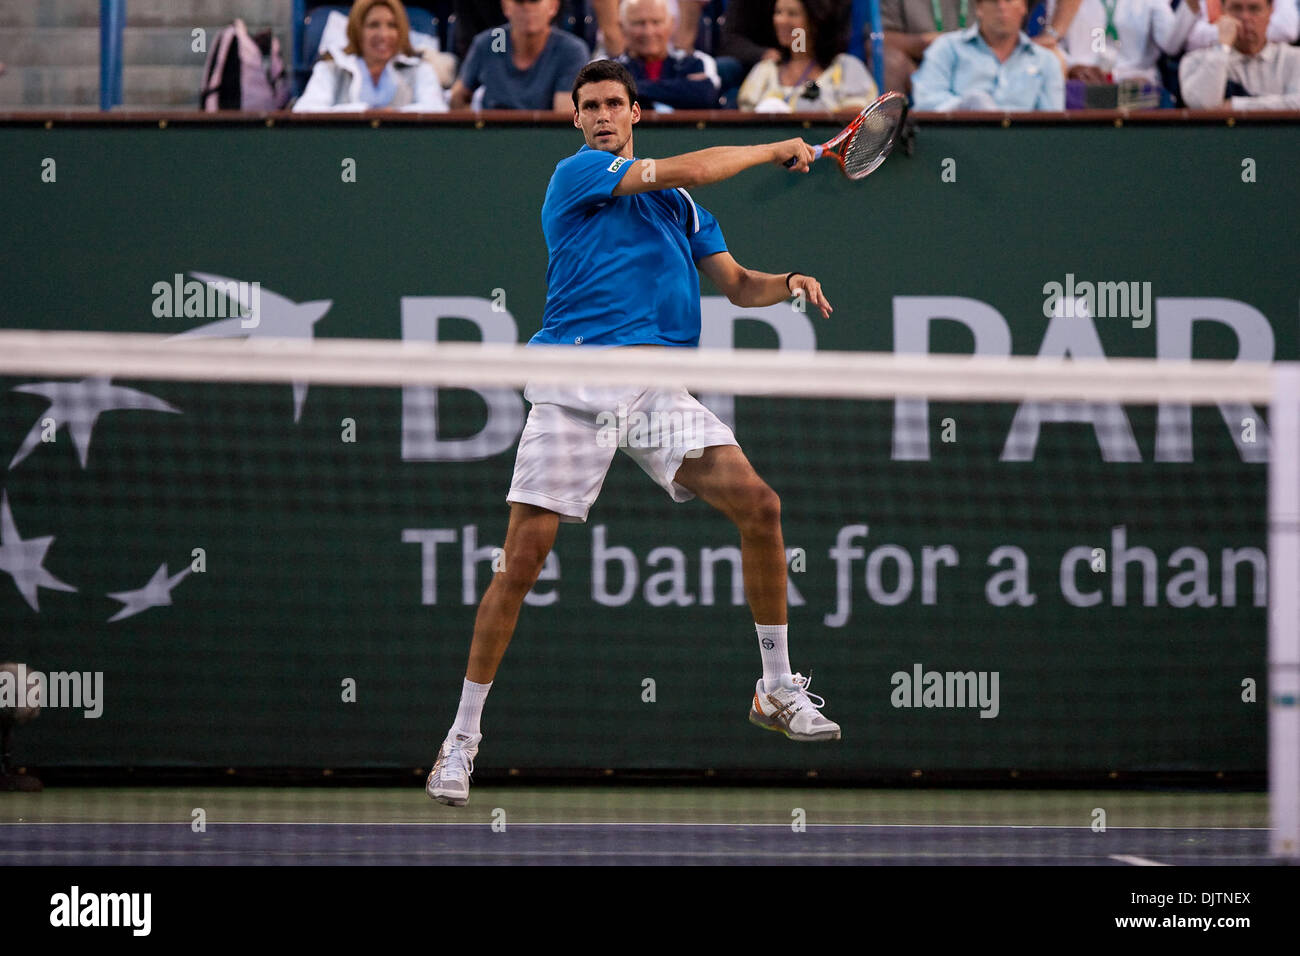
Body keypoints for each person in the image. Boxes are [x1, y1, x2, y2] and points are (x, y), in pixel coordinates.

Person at [426, 59, 842, 808]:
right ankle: (461, 739)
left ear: (636, 111)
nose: (603, 116)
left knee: (761, 506)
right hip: (574, 385)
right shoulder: (577, 175)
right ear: (578, 119)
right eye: (591, 107)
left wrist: (790, 284)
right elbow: (700, 165)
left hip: (654, 390)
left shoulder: (680, 208)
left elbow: (739, 285)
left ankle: (775, 687)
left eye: (615, 104)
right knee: (521, 561)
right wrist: (772, 147)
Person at [293, 0, 446, 112]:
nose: (383, 35)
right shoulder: (330, 69)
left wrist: (392, 116)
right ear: (357, 31)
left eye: (392, 25)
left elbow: (437, 110)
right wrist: (366, 113)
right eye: (373, 25)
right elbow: (305, 111)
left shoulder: (420, 70)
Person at [911, 0, 1066, 109]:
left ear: (1024, 6)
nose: (1001, 7)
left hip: (1024, 148)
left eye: (1009, 0)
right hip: (959, 146)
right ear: (979, 7)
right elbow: (926, 103)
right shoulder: (946, 48)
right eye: (993, 0)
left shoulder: (1046, 61)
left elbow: (1052, 124)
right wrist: (964, 106)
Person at [738, 0, 878, 112]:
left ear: (815, 21)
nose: (781, 20)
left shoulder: (846, 68)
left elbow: (857, 124)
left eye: (792, 14)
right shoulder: (764, 70)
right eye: (778, 12)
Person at [450, 0, 591, 111]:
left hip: (544, 141)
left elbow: (564, 118)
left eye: (534, 1)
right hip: (492, 139)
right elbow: (458, 98)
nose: (527, 8)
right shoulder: (488, 43)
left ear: (553, 6)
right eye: (519, 1)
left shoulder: (571, 51)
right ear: (506, 6)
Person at [1039, 0, 1199, 85]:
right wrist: (1071, 67)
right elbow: (1053, 43)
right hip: (1080, 86)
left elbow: (1170, 44)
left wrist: (1192, 6)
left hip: (1135, 83)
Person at [1181, 0, 1300, 107]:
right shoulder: (1195, 61)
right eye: (1236, 8)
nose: (1245, 17)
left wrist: (1235, 106)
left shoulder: (1294, 58)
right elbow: (1202, 105)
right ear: (1222, 11)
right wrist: (1222, 47)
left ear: (1270, 11)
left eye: (1254, 9)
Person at [616, 0, 722, 110]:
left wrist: (629, 89)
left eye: (656, 22)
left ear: (671, 24)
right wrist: (681, 88)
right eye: (638, 23)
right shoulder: (608, 65)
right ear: (622, 27)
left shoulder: (697, 62)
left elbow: (705, 95)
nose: (648, 31)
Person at [882, 0, 978, 94]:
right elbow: (878, 39)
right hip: (920, 70)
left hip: (977, 63)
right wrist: (923, 43)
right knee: (888, 61)